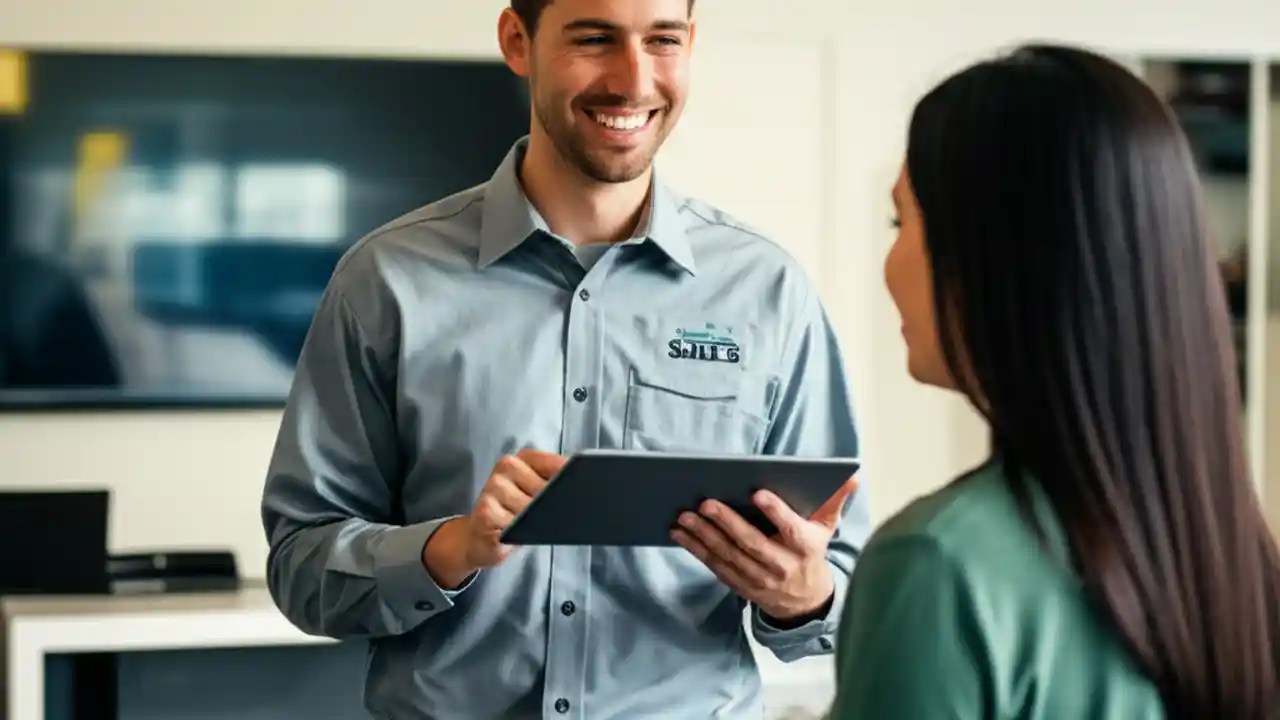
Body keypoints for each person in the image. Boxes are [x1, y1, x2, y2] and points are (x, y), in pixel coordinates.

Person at [261, 0, 867, 718]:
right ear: (518, 41)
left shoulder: (768, 291)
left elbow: (840, 590)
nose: (633, 80)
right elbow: (302, 568)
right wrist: (452, 548)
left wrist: (804, 596)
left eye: (662, 41)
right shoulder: (387, 281)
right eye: (594, 38)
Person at [828, 44, 1280, 719]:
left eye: (903, 221)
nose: (889, 263)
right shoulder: (1234, 563)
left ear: (996, 255)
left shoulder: (937, 568)